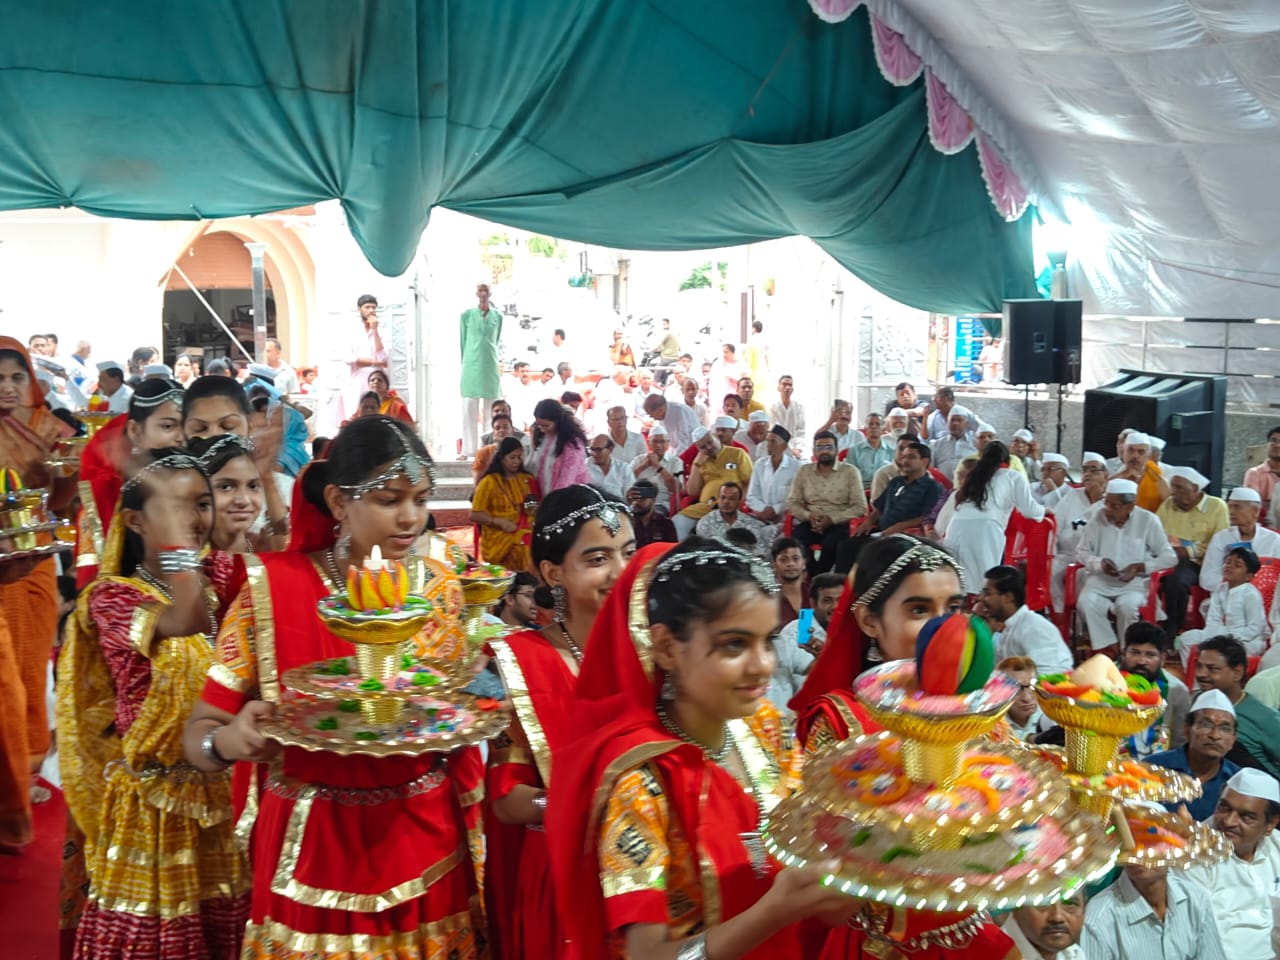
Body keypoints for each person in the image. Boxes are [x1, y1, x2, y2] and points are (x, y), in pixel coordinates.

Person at [185, 416, 485, 959]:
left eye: (421, 498)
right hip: (312, 844)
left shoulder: (440, 587)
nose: (411, 518)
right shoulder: (271, 591)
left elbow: (451, 708)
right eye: (391, 499)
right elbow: (200, 733)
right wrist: (228, 742)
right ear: (339, 503)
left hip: (422, 838)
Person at [548, 538, 853, 960]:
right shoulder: (642, 782)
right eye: (734, 645)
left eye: (766, 642)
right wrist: (774, 911)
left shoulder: (764, 727)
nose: (762, 664)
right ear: (668, 648)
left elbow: (812, 857)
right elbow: (646, 955)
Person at [57, 449, 249, 958]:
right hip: (153, 805)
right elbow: (182, 617)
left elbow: (265, 582)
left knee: (227, 923)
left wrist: (258, 491)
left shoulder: (211, 581)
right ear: (135, 521)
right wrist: (181, 543)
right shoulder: (112, 597)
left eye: (202, 504)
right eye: (174, 506)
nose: (193, 518)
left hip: (217, 789)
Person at [790, 535, 1018, 956]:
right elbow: (825, 851)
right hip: (882, 942)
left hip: (972, 932)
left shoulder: (981, 708)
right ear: (869, 622)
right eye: (919, 610)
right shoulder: (840, 720)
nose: (942, 629)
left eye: (952, 609)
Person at [485, 484, 635, 960]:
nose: (621, 572)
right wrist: (593, 801)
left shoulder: (664, 649)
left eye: (629, 552)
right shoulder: (524, 662)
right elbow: (508, 800)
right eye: (597, 559)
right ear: (553, 573)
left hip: (654, 872)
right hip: (566, 874)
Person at [0, 335, 76, 842]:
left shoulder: (52, 430)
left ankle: (22, 776)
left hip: (32, 563)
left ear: (31, 381)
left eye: (16, 377)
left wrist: (67, 473)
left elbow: (66, 502)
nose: (7, 387)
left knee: (28, 671)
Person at [1183, 767, 1280, 960]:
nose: (1228, 821)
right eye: (1224, 808)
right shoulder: (1192, 853)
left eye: (1246, 817)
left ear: (1270, 825)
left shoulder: (1276, 845)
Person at [1075, 478, 1177, 653]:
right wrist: (1100, 563)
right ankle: (1113, 648)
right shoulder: (1097, 518)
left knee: (1127, 607)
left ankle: (1126, 651)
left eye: (1114, 506)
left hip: (1134, 584)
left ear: (1130, 506)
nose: (1107, 509)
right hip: (1100, 580)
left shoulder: (1148, 520)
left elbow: (1170, 557)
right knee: (1086, 602)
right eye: (1106, 503)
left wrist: (1139, 567)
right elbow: (1081, 552)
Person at [942, 441, 1044, 588]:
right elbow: (1029, 510)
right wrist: (1043, 510)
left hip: (956, 529)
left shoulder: (973, 476)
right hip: (985, 532)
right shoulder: (1012, 476)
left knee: (957, 585)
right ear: (1008, 460)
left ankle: (960, 611)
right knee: (985, 585)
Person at [837, 440, 943, 575]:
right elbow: (879, 508)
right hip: (881, 532)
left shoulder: (932, 487)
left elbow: (926, 517)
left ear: (924, 461)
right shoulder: (896, 481)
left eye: (911, 457)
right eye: (903, 457)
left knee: (867, 551)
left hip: (907, 536)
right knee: (845, 546)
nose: (905, 461)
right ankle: (841, 588)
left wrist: (898, 527)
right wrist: (868, 521)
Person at [1082, 863, 1225, 960]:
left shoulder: (1195, 898)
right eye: (1131, 839)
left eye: (1151, 838)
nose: (1139, 850)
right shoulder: (1098, 919)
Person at [1147, 689, 1242, 821]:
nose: (1214, 735)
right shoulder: (1153, 768)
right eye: (1206, 725)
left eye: (1225, 729)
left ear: (1233, 740)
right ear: (1186, 731)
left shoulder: (1238, 781)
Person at [1194, 635, 1280, 779]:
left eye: (1212, 669)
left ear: (1237, 673)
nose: (1201, 674)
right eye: (1199, 666)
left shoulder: (1265, 718)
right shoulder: (1197, 702)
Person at [1156, 466, 1229, 633]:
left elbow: (1219, 542)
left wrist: (1187, 552)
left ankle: (1172, 628)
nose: (1173, 492)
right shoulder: (1168, 505)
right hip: (1167, 557)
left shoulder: (1217, 507)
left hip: (1199, 562)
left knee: (1176, 580)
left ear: (1195, 488)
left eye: (1179, 487)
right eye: (1172, 486)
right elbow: (1156, 532)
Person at [787, 430, 867, 575]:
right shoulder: (804, 471)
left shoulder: (850, 472)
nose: (824, 451)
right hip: (810, 521)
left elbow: (861, 507)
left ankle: (817, 579)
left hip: (838, 523)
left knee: (832, 544)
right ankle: (810, 578)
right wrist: (808, 516)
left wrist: (832, 519)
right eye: (819, 447)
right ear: (814, 451)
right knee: (797, 542)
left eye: (829, 447)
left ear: (836, 450)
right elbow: (793, 502)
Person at [1177, 546, 1268, 668]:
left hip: (1248, 640)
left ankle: (1223, 682)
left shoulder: (1251, 595)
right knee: (1186, 639)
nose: (1229, 566)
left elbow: (1254, 629)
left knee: (1226, 652)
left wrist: (1227, 637)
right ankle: (1196, 682)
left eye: (1237, 565)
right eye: (1228, 562)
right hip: (1221, 635)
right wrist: (1215, 635)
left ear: (1248, 576)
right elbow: (1213, 619)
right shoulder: (1220, 589)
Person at [766, 573, 842, 717]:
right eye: (827, 600)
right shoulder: (799, 629)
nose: (836, 606)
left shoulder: (852, 628)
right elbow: (804, 679)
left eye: (841, 600)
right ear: (813, 604)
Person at [188, 433, 277, 554]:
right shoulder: (178, 561)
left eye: (252, 486)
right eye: (226, 487)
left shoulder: (264, 549)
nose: (244, 500)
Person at [982, 565, 1072, 675]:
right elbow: (999, 675)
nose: (981, 598)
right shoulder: (1009, 630)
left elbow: (1049, 675)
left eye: (987, 593)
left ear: (1008, 597)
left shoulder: (1034, 627)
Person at [1119, 622, 1191, 757]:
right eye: (1135, 653)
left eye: (1150, 655)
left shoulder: (1176, 691)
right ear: (1123, 653)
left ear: (1162, 659)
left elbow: (1180, 743)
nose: (1141, 661)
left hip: (1158, 767)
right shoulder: (1104, 683)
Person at [1048, 450, 1108, 612]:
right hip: (1067, 554)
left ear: (1105, 475)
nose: (1087, 474)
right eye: (1085, 470)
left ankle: (1081, 626)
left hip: (1094, 558)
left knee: (1085, 575)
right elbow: (1054, 527)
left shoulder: (1112, 501)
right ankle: (1059, 616)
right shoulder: (1073, 495)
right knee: (1050, 567)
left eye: (1093, 470)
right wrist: (1050, 552)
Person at [471, 436, 538, 571]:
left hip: (525, 534)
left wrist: (534, 509)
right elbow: (475, 514)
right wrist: (498, 521)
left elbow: (536, 504)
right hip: (500, 539)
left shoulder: (527, 479)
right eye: (512, 457)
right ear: (501, 458)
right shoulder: (489, 482)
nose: (517, 462)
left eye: (519, 457)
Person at [675, 426, 754, 539]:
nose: (708, 447)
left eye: (710, 442)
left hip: (731, 505)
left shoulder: (737, 454)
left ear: (716, 437)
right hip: (707, 507)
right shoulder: (700, 462)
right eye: (703, 447)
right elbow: (692, 491)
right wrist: (696, 465)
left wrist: (739, 501)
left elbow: (750, 481)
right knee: (677, 522)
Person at [1200, 487, 1280, 591]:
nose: (1231, 512)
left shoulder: (1273, 540)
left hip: (1263, 598)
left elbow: (1276, 578)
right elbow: (1207, 578)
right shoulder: (1221, 538)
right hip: (1224, 596)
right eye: (1230, 507)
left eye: (1237, 507)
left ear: (1255, 511)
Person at [460, 282, 503, 458]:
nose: (483, 293)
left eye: (486, 290)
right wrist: (468, 360)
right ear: (476, 292)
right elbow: (462, 341)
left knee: (490, 409)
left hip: (490, 365)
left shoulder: (498, 316)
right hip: (471, 365)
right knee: (469, 406)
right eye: (480, 289)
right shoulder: (467, 315)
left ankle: (489, 449)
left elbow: (496, 340)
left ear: (491, 292)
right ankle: (468, 450)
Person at [338, 294, 388, 426]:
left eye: (373, 307)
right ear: (359, 309)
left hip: (376, 380)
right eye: (367, 307)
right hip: (357, 381)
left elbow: (383, 356)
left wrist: (375, 330)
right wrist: (374, 362)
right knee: (355, 414)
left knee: (376, 413)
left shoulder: (382, 332)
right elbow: (348, 358)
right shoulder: (351, 332)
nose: (371, 311)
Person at [529, 397, 590, 496]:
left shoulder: (573, 444)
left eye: (546, 426)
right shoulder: (545, 438)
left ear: (557, 421)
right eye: (539, 425)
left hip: (570, 497)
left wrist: (553, 502)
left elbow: (566, 479)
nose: (542, 429)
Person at [1001, 888, 1086, 959]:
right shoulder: (994, 954)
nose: (1057, 917)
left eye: (1070, 904)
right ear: (1015, 907)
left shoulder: (1073, 954)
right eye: (1043, 903)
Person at [745, 425, 800, 532]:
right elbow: (751, 496)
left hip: (785, 520)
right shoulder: (760, 464)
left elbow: (796, 499)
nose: (768, 445)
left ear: (784, 446)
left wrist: (775, 509)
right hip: (760, 517)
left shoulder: (796, 468)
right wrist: (763, 510)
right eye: (767, 441)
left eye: (773, 441)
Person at [696, 482, 772, 556]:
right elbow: (704, 552)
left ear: (739, 502)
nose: (726, 502)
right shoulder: (705, 523)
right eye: (722, 497)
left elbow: (759, 551)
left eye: (732, 499)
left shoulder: (750, 523)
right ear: (718, 499)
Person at [1109, 430, 1168, 512]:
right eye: (1131, 450)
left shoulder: (1156, 478)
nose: (1135, 456)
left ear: (1148, 456)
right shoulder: (1115, 477)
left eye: (1141, 452)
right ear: (1123, 453)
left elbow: (1170, 504)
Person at [998, 656, 1051, 741]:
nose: (1027, 698)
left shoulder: (1052, 719)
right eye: (1017, 689)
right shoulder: (990, 725)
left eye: (1032, 687)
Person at [630, 424, 682, 511]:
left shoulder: (675, 462)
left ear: (668, 443)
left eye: (662, 441)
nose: (658, 445)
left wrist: (658, 466)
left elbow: (675, 488)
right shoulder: (638, 460)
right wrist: (643, 466)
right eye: (655, 441)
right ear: (648, 443)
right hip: (638, 502)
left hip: (661, 503)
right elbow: (625, 480)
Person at [1244, 424, 1280, 528]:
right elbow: (1254, 506)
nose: (1277, 445)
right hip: (1265, 529)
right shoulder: (1254, 473)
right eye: (1273, 441)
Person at [929, 406, 977, 479]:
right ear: (947, 423)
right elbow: (930, 470)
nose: (955, 423)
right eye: (952, 420)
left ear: (967, 424)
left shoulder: (975, 444)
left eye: (959, 420)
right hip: (943, 488)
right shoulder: (936, 445)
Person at [627, 480, 678, 547]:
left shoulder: (665, 523)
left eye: (642, 500)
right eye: (635, 499)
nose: (637, 503)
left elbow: (673, 550)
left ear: (653, 501)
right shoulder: (627, 522)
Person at [849, 411, 893, 481]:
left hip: (883, 488)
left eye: (877, 424)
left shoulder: (891, 452)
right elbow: (850, 477)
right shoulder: (854, 451)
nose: (873, 427)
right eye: (870, 424)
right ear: (865, 428)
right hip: (860, 489)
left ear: (883, 429)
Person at [586, 433, 633, 499]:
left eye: (598, 450)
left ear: (610, 449)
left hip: (619, 506)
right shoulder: (583, 467)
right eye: (592, 449)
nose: (594, 454)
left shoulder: (623, 467)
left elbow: (629, 493)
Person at [768, 374, 805, 457]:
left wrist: (797, 449)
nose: (787, 387)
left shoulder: (798, 407)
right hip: (777, 447)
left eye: (790, 385)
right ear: (779, 388)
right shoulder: (772, 407)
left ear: (792, 389)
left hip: (795, 448)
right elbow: (772, 429)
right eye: (784, 384)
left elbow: (800, 430)